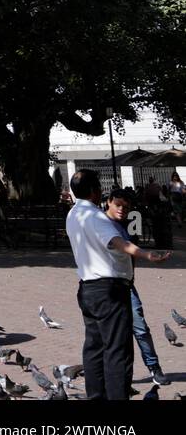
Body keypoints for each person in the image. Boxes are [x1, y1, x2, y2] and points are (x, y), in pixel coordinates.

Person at [66, 169, 170, 400]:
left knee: (94, 347)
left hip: (88, 289)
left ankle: (96, 396)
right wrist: (146, 255)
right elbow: (116, 242)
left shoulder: (73, 214)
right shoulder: (95, 216)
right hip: (109, 290)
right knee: (117, 349)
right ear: (95, 191)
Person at [106, 188, 170, 386]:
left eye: (126, 207)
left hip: (126, 284)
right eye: (118, 205)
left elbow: (133, 250)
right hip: (105, 286)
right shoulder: (100, 224)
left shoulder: (131, 223)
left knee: (140, 327)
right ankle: (116, 375)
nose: (122, 210)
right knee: (112, 334)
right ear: (109, 201)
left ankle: (154, 367)